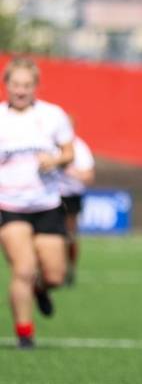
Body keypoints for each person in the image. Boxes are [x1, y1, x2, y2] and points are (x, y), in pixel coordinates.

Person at [0, 57, 75, 349]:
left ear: (35, 87)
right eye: (16, 84)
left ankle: (42, 290)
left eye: (27, 85)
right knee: (23, 269)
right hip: (9, 206)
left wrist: (54, 159)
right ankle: (24, 334)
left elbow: (68, 153)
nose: (21, 90)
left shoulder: (53, 115)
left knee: (55, 275)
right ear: (7, 85)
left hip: (46, 205)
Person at [56, 131, 96, 286]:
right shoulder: (44, 141)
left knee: (69, 234)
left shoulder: (79, 147)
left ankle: (70, 267)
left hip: (71, 196)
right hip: (49, 195)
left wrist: (70, 171)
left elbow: (88, 176)